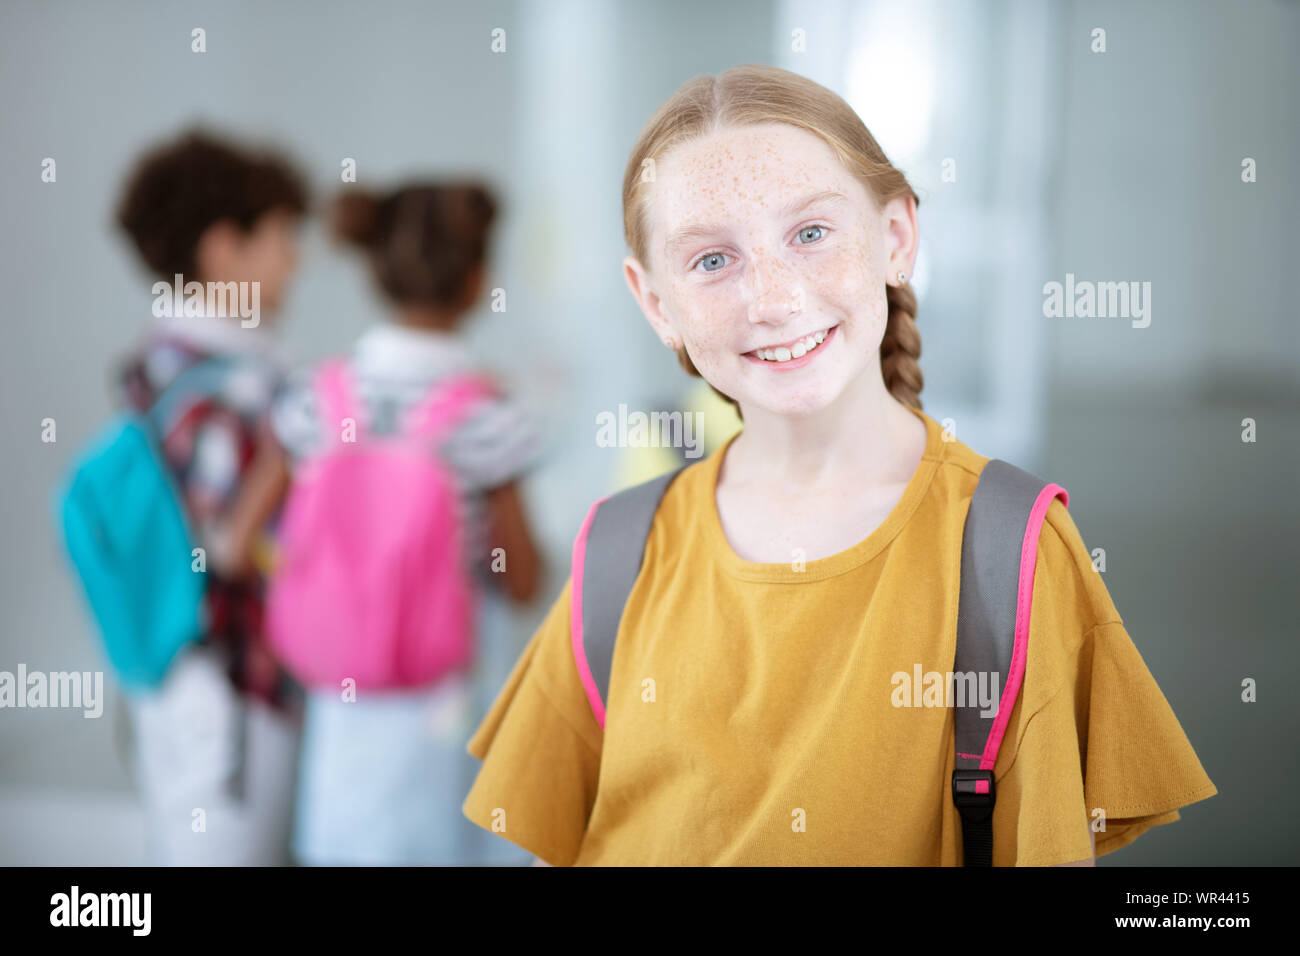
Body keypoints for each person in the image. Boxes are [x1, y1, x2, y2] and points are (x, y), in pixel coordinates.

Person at [461, 64, 1217, 866]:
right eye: (712, 261)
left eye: (810, 234)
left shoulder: (1011, 552)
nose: (774, 299)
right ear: (657, 306)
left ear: (895, 238)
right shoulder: (618, 550)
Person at [226, 183, 545, 865]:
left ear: (374, 272)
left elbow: (235, 547)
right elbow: (522, 581)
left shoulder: (316, 397)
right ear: (477, 281)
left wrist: (324, 580)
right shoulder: (487, 415)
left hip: (337, 711)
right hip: (443, 708)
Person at [113, 128, 309, 865]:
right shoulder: (235, 382)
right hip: (230, 695)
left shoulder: (160, 363)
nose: (296, 263)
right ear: (223, 249)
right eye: (282, 240)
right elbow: (231, 546)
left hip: (182, 683)